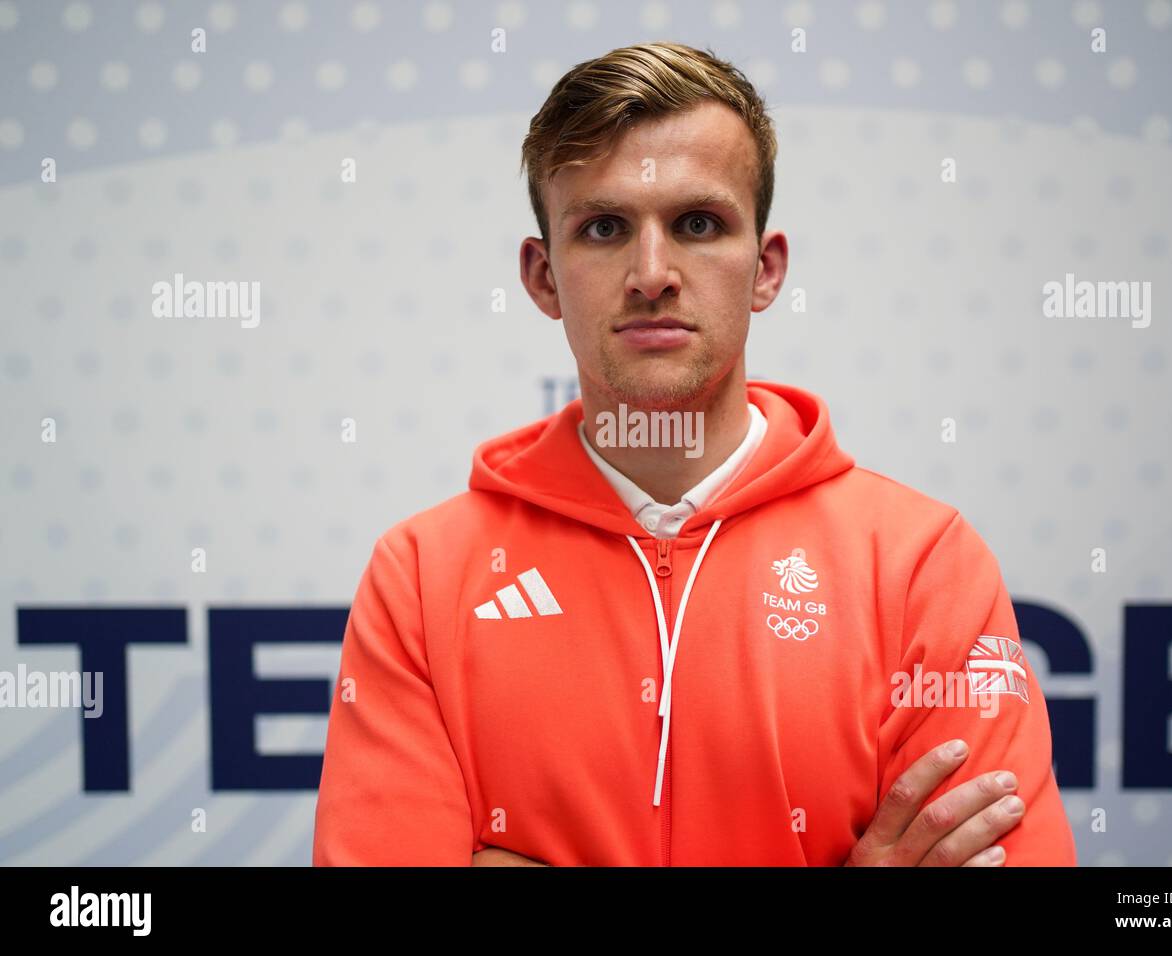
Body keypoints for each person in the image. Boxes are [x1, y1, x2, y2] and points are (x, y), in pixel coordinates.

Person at [312, 41, 1076, 867]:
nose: (651, 273)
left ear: (765, 269)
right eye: (604, 228)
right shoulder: (423, 579)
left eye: (697, 225)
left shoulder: (924, 566)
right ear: (541, 276)